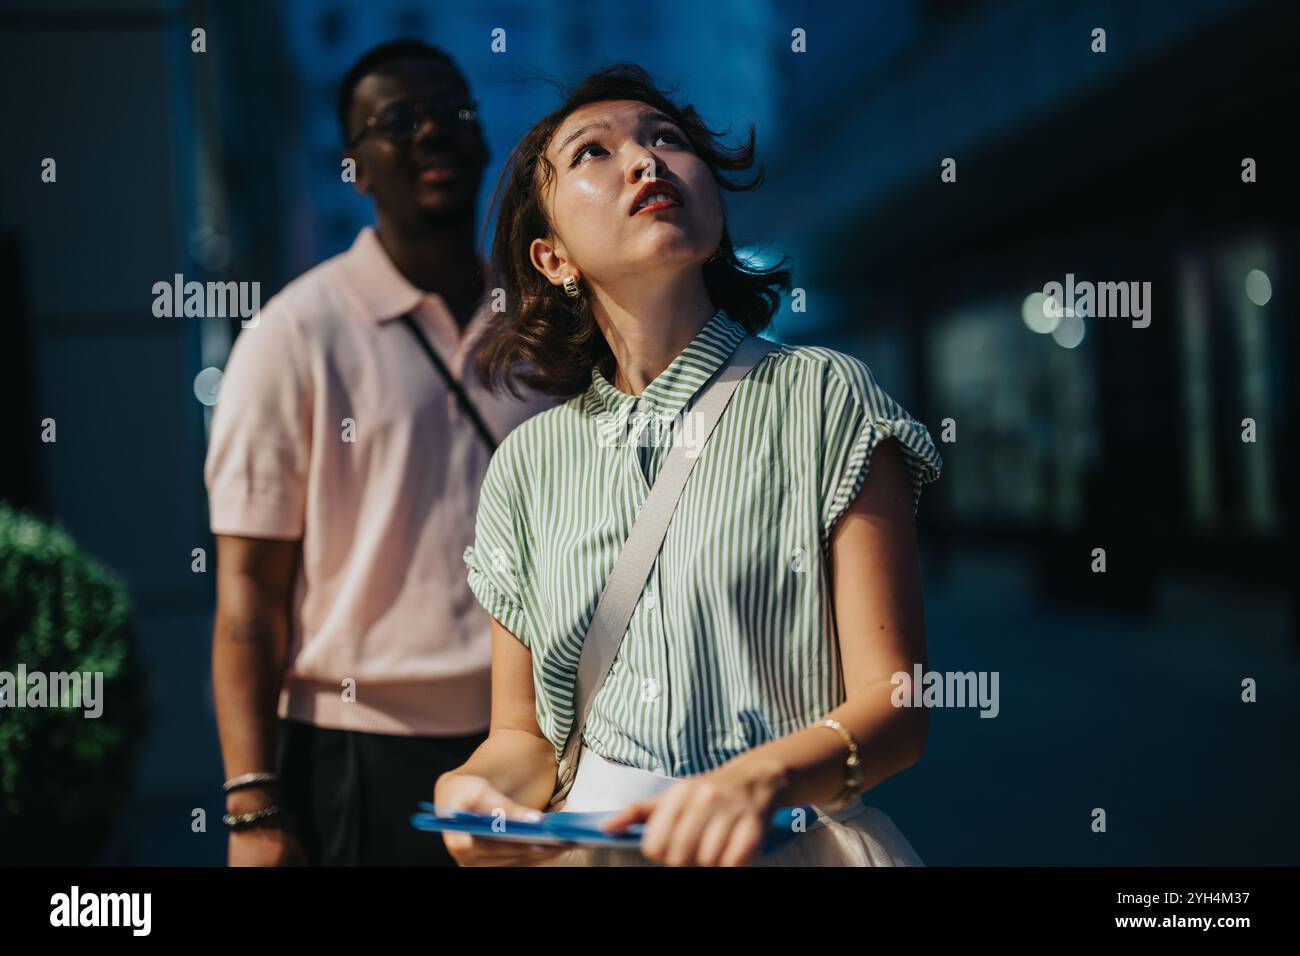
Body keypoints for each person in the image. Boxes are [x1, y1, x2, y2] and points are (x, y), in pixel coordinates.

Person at [433, 63, 944, 867]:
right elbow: (521, 737)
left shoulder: (823, 395)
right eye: (593, 154)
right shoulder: (527, 462)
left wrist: (761, 779)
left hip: (784, 846)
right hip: (595, 851)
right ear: (553, 258)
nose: (646, 161)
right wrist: (474, 791)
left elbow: (899, 706)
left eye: (666, 139)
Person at [205, 39, 548, 867]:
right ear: (355, 166)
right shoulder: (294, 333)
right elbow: (249, 594)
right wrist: (251, 806)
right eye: (398, 120)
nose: (432, 131)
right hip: (358, 747)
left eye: (451, 111)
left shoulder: (540, 325)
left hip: (535, 739)